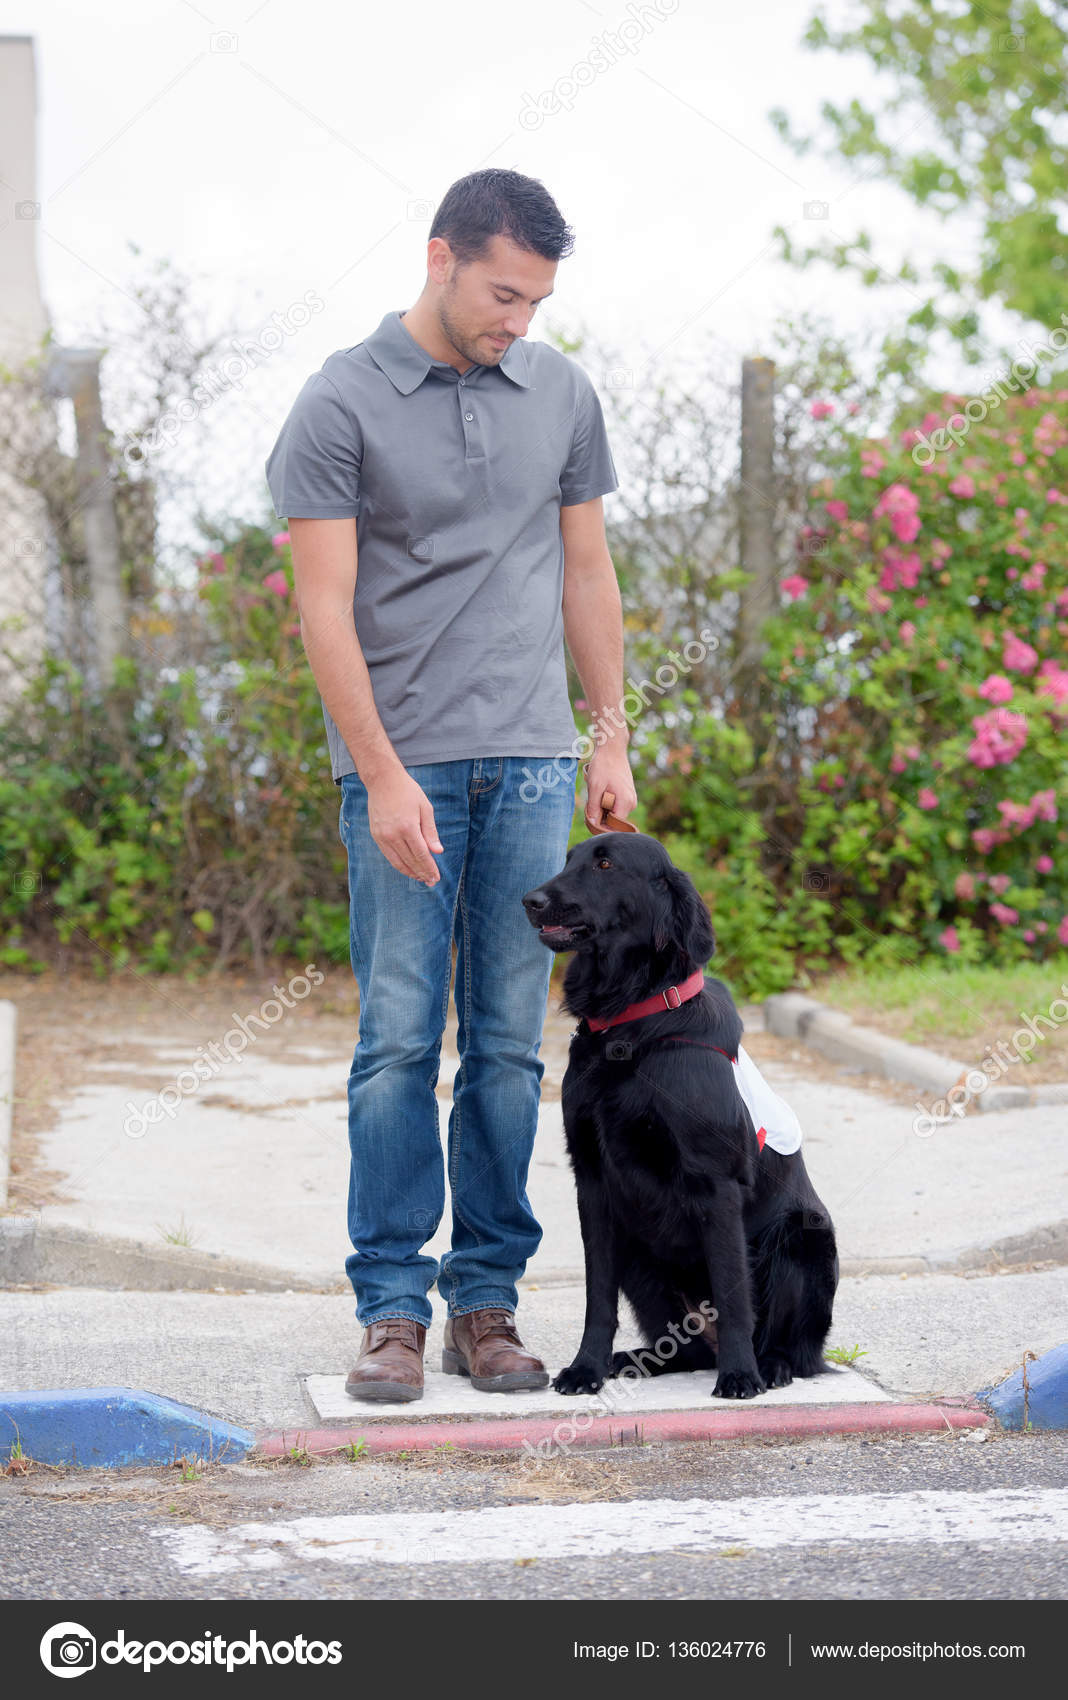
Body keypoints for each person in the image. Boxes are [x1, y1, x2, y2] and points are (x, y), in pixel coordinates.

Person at [265, 168, 636, 1402]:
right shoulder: (341, 400)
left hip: (533, 761)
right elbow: (323, 609)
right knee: (395, 1043)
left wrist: (611, 737)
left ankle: (487, 1302)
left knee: (505, 1052)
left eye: (534, 300)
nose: (516, 319)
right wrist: (378, 774)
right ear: (439, 257)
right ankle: (388, 1309)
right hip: (403, 764)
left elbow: (587, 573)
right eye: (500, 292)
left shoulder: (562, 392)